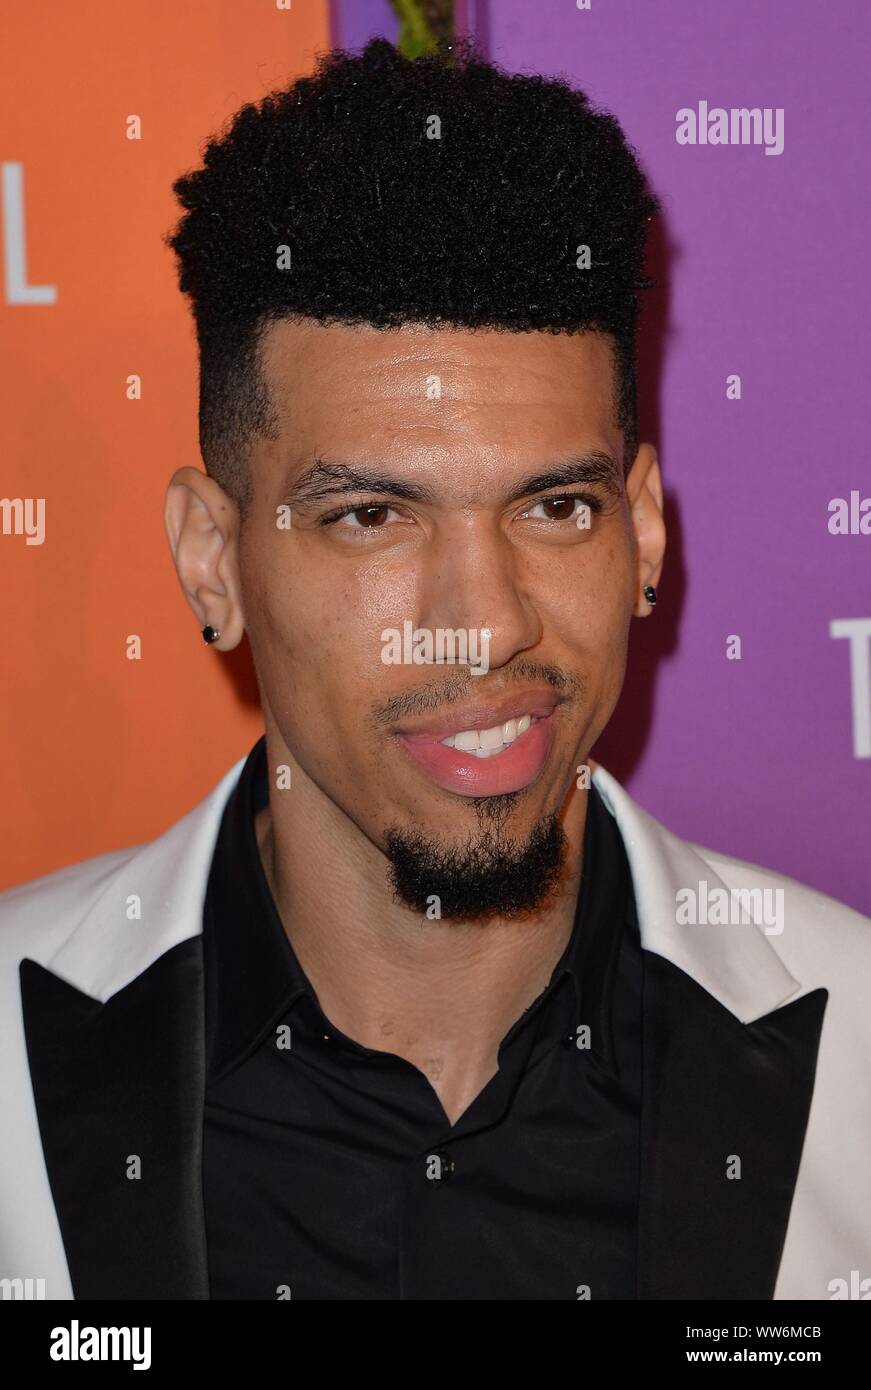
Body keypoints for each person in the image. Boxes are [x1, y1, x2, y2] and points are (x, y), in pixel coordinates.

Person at [2, 37, 869, 1302]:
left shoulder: (857, 1037)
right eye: (370, 515)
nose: (484, 626)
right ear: (212, 559)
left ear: (645, 532)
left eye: (555, 507)